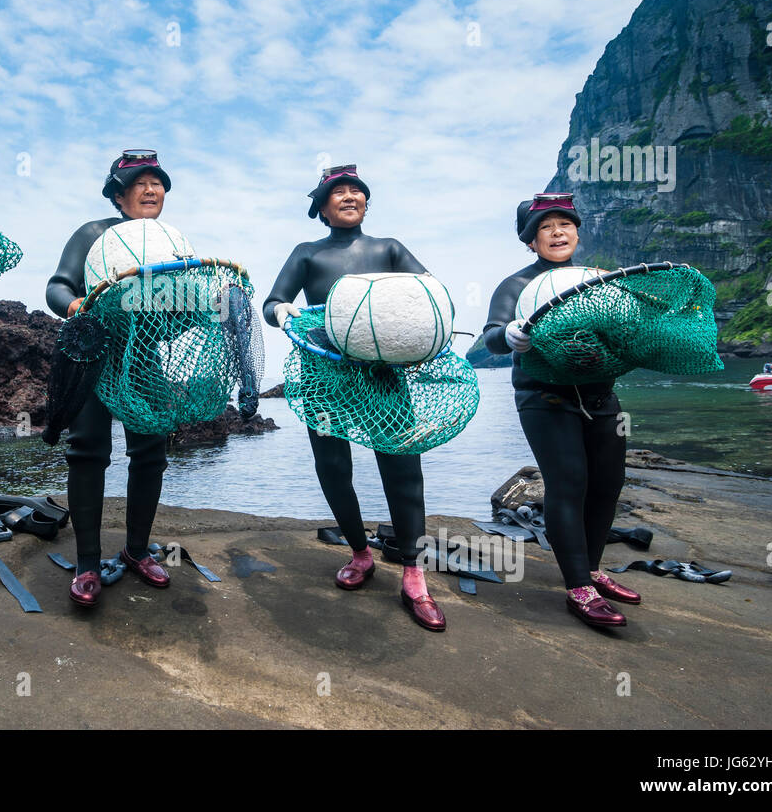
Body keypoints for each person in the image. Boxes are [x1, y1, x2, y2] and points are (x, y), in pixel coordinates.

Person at [262, 165, 446, 632]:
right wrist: (283, 310)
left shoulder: (389, 248)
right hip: (324, 376)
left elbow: (430, 295)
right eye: (336, 192)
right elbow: (271, 303)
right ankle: (361, 553)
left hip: (383, 374)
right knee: (334, 469)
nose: (348, 197)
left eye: (356, 191)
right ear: (321, 208)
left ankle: (413, 574)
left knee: (403, 470)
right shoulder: (307, 253)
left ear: (366, 202)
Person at [482, 193, 640, 629]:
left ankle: (590, 568)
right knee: (569, 483)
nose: (557, 232)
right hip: (544, 398)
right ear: (530, 241)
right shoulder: (516, 285)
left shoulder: (600, 280)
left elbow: (622, 329)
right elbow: (492, 335)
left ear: (576, 232)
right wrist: (509, 333)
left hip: (600, 397)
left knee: (608, 483)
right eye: (545, 228)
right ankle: (578, 588)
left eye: (565, 224)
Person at [44, 150, 176, 607]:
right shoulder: (92, 234)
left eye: (156, 182)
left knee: (150, 453)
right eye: (138, 183)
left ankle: (137, 551)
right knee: (88, 452)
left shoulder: (168, 244)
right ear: (118, 196)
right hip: (91, 353)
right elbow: (57, 286)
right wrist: (77, 305)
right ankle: (86, 562)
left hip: (142, 358)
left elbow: (178, 302)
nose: (149, 189)